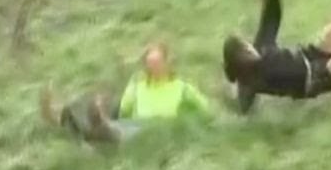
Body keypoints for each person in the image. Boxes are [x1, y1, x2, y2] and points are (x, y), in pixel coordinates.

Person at [40, 43, 214, 144]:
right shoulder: (139, 84)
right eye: (149, 64)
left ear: (168, 63)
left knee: (117, 127)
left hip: (157, 127)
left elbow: (206, 110)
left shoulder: (182, 87)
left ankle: (96, 127)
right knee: (100, 107)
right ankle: (68, 117)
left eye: (157, 63)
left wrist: (185, 122)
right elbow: (123, 109)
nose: (153, 68)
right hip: (133, 124)